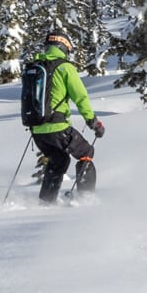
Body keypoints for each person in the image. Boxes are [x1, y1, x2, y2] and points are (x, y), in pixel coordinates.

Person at [26, 30, 102, 205]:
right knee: (86, 152)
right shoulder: (65, 67)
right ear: (63, 46)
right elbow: (80, 97)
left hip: (37, 130)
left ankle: (46, 201)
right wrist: (93, 123)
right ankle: (86, 198)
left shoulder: (36, 66)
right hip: (57, 127)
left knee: (59, 160)